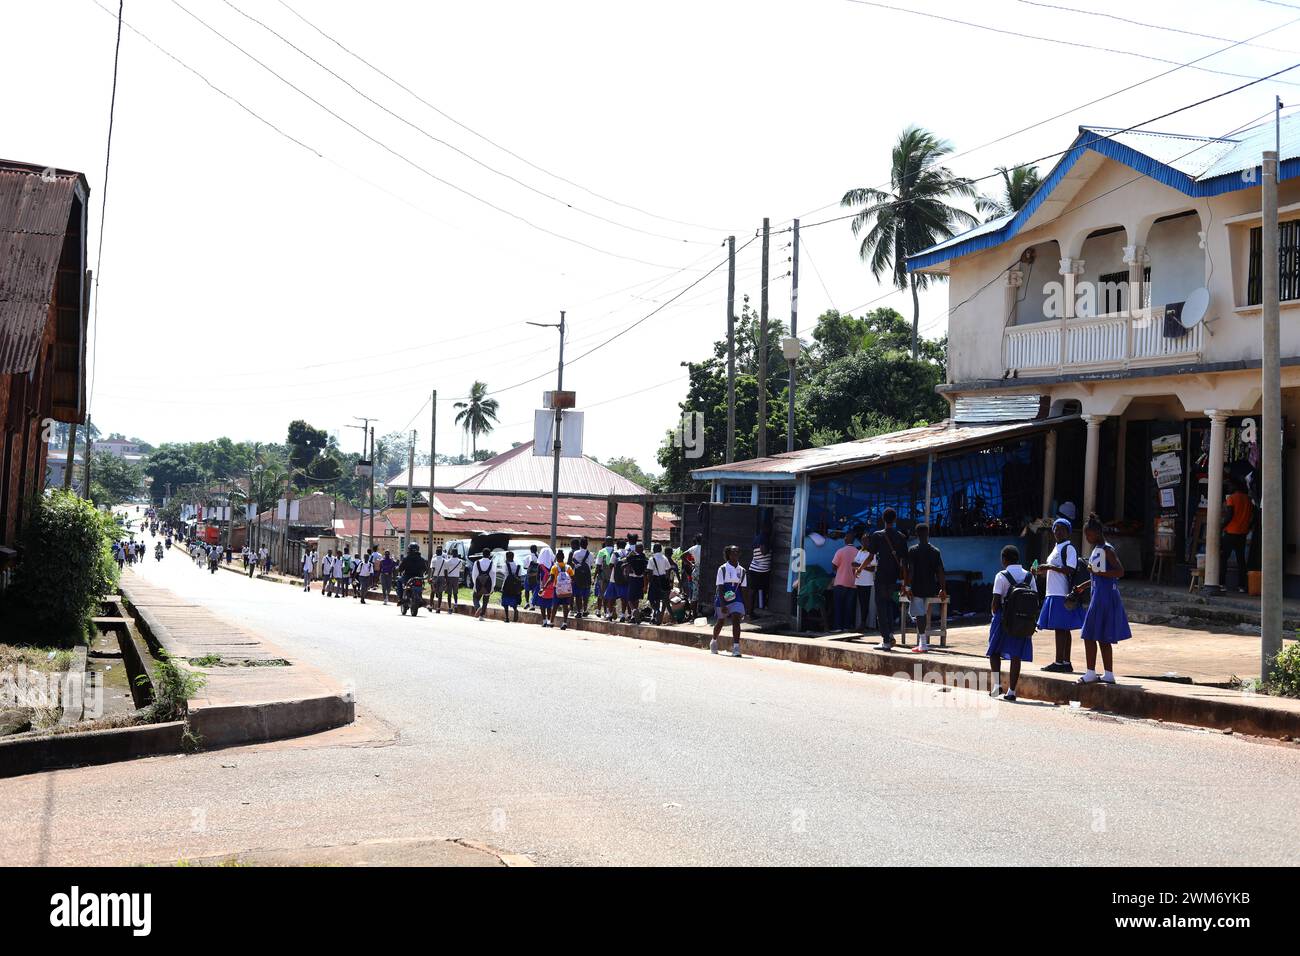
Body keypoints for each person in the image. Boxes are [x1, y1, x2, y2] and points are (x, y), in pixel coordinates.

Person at [1079, 513, 1131, 685]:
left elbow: (1119, 571)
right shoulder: (1097, 549)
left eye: (1088, 534)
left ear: (1096, 532)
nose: (1087, 538)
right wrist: (1083, 586)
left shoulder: (1107, 549)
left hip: (1105, 597)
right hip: (1098, 594)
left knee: (1088, 634)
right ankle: (1108, 674)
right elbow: (1097, 576)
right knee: (1102, 636)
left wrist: (1098, 573)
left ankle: (1091, 673)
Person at [1035, 517, 1085, 673]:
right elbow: (1055, 569)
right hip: (1052, 592)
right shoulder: (1056, 548)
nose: (1058, 531)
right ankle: (1065, 662)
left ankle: (1059, 662)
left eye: (1062, 529)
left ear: (1068, 532)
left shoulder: (1068, 547)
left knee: (1060, 628)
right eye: (1056, 529)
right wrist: (1042, 570)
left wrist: (1050, 566)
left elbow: (1070, 569)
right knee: (1063, 629)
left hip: (1062, 592)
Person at [987, 544, 1036, 701]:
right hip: (1023, 620)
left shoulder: (1001, 575)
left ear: (1004, 559)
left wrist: (995, 615)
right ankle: (1012, 692)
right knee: (1016, 655)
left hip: (1004, 618)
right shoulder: (1029, 576)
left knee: (994, 651)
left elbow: (995, 602)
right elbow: (1034, 599)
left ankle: (997, 686)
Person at [866, 509, 908, 650]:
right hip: (894, 576)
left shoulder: (877, 535)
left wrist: (860, 568)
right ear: (895, 519)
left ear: (883, 519)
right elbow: (904, 562)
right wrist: (905, 583)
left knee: (881, 606)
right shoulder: (901, 537)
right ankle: (890, 634)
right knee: (889, 604)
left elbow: (870, 557)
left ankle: (886, 640)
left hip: (881, 575)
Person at [903, 523, 946, 654]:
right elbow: (940, 571)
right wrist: (942, 588)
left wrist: (907, 586)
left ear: (916, 535)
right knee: (923, 613)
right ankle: (923, 643)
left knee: (920, 614)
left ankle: (923, 644)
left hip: (916, 587)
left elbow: (911, 571)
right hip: (931, 587)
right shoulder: (935, 551)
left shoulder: (913, 550)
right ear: (928, 534)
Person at [711, 546, 746, 657]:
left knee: (736, 618)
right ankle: (714, 640)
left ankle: (736, 647)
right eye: (733, 552)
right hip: (723, 597)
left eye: (737, 552)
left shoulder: (742, 571)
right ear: (728, 555)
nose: (735, 554)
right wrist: (722, 604)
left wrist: (745, 606)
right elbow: (720, 587)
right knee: (721, 621)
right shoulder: (723, 569)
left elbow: (743, 589)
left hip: (737, 598)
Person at [1222, 477, 1253, 593]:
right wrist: (1248, 527)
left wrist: (1221, 526)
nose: (1228, 488)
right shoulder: (1248, 499)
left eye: (1230, 486)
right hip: (1242, 533)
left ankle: (1221, 583)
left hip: (1230, 532)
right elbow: (1253, 516)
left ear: (1234, 487)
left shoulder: (1231, 499)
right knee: (1241, 560)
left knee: (1223, 558)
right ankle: (1241, 585)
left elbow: (1230, 515)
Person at [830, 531, 861, 633]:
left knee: (838, 606)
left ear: (847, 539)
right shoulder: (858, 552)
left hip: (840, 582)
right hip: (853, 583)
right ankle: (847, 626)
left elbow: (834, 566)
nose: (844, 539)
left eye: (845, 538)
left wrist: (841, 568)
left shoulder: (840, 551)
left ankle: (838, 627)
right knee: (849, 607)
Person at [853, 531, 877, 634]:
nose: (864, 542)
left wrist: (860, 567)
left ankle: (865, 623)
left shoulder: (872, 553)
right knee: (861, 603)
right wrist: (864, 566)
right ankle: (862, 623)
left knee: (866, 603)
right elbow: (853, 563)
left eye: (866, 541)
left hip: (868, 582)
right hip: (859, 581)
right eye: (863, 540)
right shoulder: (860, 551)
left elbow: (873, 569)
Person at [397, 543, 429, 614]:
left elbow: (400, 569)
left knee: (399, 580)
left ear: (409, 549)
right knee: (420, 588)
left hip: (407, 577)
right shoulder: (422, 559)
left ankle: (400, 598)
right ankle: (419, 598)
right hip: (419, 578)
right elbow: (426, 569)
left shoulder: (406, 558)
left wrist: (399, 570)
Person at [646, 543, 674, 624]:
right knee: (658, 599)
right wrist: (667, 578)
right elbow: (669, 569)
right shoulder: (664, 558)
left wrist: (650, 582)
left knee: (651, 598)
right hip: (663, 579)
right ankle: (656, 618)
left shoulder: (652, 559)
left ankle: (656, 611)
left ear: (654, 549)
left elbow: (650, 572)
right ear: (661, 549)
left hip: (655, 579)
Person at [547, 550, 574, 630]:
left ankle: (551, 622)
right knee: (565, 606)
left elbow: (551, 579)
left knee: (555, 606)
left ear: (556, 558)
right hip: (567, 590)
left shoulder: (554, 567)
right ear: (563, 557)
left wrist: (544, 587)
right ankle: (564, 622)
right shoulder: (568, 567)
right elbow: (573, 578)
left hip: (557, 589)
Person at [570, 538, 593, 618]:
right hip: (587, 577)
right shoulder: (590, 554)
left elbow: (573, 562)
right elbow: (591, 565)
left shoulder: (576, 553)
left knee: (578, 595)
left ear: (580, 544)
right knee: (585, 595)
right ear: (587, 545)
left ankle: (579, 611)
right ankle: (585, 610)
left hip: (577, 577)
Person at [470, 549, 495, 620]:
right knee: (485, 600)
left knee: (475, 597)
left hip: (478, 583)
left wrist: (475, 584)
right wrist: (492, 587)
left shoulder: (477, 562)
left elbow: (474, 574)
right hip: (488, 584)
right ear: (489, 555)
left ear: (482, 554)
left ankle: (478, 607)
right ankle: (481, 615)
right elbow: (493, 575)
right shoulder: (492, 563)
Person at [747, 543, 771, 616]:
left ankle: (751, 612)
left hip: (762, 570)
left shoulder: (761, 537)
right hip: (757, 570)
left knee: (756, 591)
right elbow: (764, 552)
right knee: (753, 591)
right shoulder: (762, 538)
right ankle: (750, 613)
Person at [500, 551, 524, 622]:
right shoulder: (518, 566)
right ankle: (515, 609)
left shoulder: (505, 565)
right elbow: (519, 576)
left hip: (507, 586)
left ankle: (507, 617)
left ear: (507, 557)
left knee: (505, 602)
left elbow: (503, 573)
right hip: (515, 587)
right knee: (514, 600)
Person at [442, 548, 463, 612]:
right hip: (456, 578)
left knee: (449, 593)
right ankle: (456, 604)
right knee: (455, 593)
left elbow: (445, 570)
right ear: (457, 553)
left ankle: (450, 608)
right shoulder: (460, 561)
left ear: (451, 553)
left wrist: (446, 579)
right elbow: (460, 568)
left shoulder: (448, 561)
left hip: (449, 578)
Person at [429, 547, 447, 612]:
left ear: (436, 553)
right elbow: (445, 571)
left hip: (434, 577)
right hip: (442, 577)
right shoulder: (445, 560)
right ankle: (438, 608)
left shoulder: (433, 560)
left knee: (432, 592)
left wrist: (430, 577)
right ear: (441, 553)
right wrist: (446, 579)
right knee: (440, 593)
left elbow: (432, 569)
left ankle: (431, 606)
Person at [523, 545, 541, 611]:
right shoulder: (539, 557)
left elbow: (525, 567)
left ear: (530, 550)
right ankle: (532, 604)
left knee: (527, 590)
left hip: (529, 576)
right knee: (534, 591)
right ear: (536, 549)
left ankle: (527, 602)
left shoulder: (528, 557)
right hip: (536, 576)